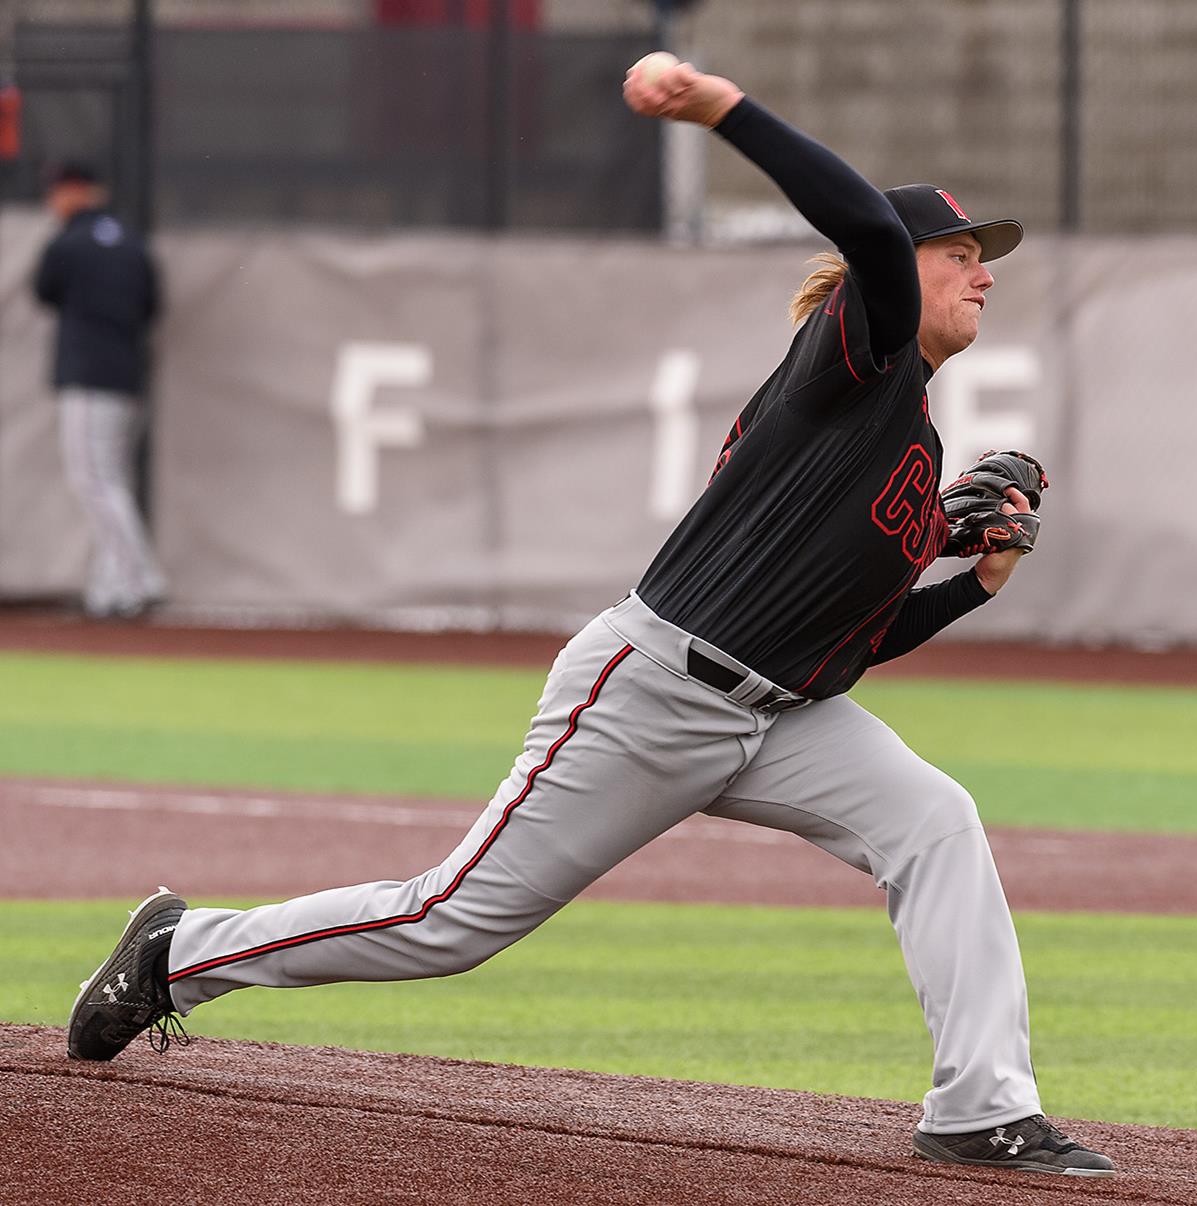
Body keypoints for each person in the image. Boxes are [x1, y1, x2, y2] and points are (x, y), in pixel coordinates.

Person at [65, 59, 1115, 1179]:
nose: (982, 273)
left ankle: (979, 1109)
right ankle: (179, 954)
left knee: (936, 822)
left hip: (783, 714)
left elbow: (851, 642)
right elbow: (861, 223)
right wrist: (721, 110)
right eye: (959, 253)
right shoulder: (859, 355)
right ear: (897, 272)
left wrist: (972, 583)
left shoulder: (906, 441)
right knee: (448, 922)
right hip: (655, 690)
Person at [32, 160, 168, 620]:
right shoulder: (132, 242)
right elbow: (152, 305)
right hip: (130, 378)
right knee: (112, 483)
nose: (52, 202)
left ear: (72, 191)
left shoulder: (68, 243)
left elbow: (44, 291)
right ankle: (109, 591)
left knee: (94, 482)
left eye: (56, 192)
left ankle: (139, 579)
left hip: (89, 380)